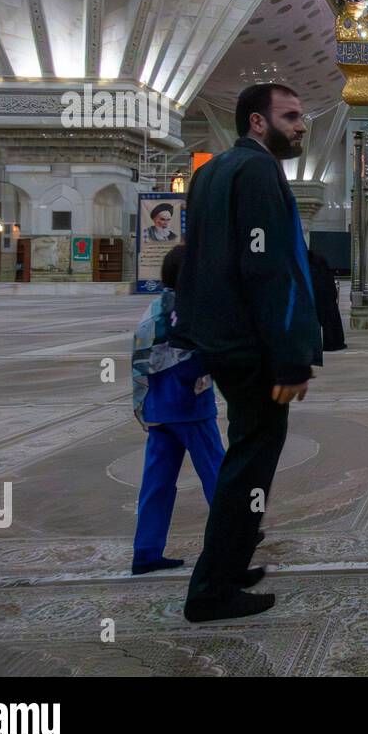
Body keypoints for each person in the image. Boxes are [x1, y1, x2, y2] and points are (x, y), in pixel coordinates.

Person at [174, 83, 323, 622]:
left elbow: (194, 260)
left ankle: (230, 565)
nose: (301, 125)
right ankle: (212, 590)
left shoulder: (210, 171)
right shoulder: (259, 172)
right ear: (257, 122)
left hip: (222, 341)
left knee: (245, 459)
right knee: (249, 466)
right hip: (253, 349)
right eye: (291, 115)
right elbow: (269, 269)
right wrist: (290, 357)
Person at [129, 245, 223, 575]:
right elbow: (191, 359)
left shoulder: (154, 307)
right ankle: (234, 536)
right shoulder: (186, 311)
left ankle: (146, 550)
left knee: (157, 480)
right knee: (218, 474)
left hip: (156, 407)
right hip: (189, 407)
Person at [307, 248, 347, 351]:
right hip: (326, 296)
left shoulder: (308, 266)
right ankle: (332, 343)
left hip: (317, 296)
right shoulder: (320, 264)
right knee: (330, 321)